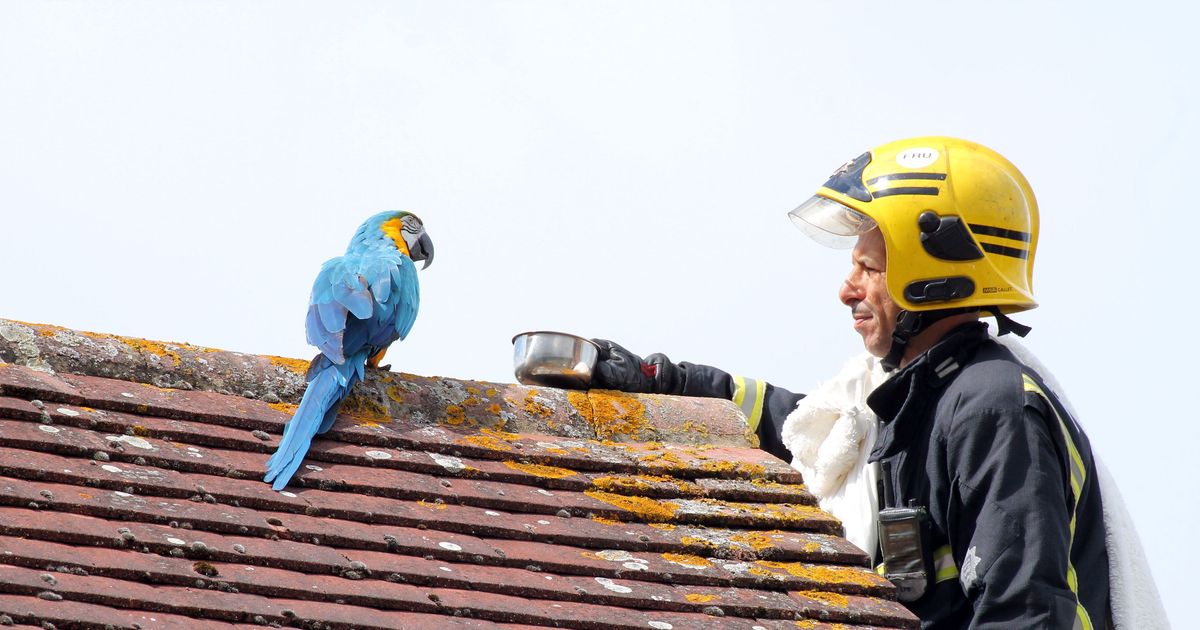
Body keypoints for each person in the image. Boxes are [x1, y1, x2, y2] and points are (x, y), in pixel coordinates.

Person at [593, 137, 1113, 628]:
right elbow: (795, 429)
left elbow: (1022, 612)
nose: (848, 290)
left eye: (869, 268)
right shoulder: (911, 400)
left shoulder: (991, 409)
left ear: (932, 271)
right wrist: (660, 380)